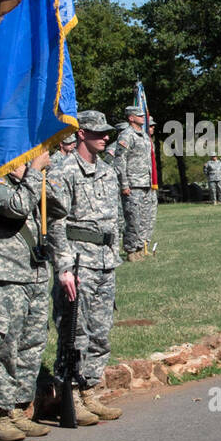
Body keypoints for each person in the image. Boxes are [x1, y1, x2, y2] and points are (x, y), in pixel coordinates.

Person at [0, 147, 67, 440]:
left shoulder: (31, 179)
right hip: (5, 274)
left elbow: (60, 206)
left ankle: (18, 407)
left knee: (32, 343)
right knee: (2, 346)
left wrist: (35, 176)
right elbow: (15, 207)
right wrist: (32, 174)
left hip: (36, 273)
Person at [40, 110, 125, 424]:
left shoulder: (108, 171)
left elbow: (114, 218)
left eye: (107, 133)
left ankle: (90, 390)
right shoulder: (64, 170)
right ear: (81, 134)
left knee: (101, 331)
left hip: (104, 262)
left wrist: (114, 254)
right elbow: (57, 221)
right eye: (98, 132)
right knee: (74, 331)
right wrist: (63, 266)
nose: (105, 137)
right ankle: (71, 393)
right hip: (78, 262)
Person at [114, 104, 156, 261]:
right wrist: (124, 183)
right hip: (133, 184)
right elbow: (120, 161)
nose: (143, 117)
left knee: (144, 218)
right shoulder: (126, 135)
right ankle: (131, 250)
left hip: (145, 183)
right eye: (139, 115)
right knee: (133, 218)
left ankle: (140, 247)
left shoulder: (144, 136)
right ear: (131, 118)